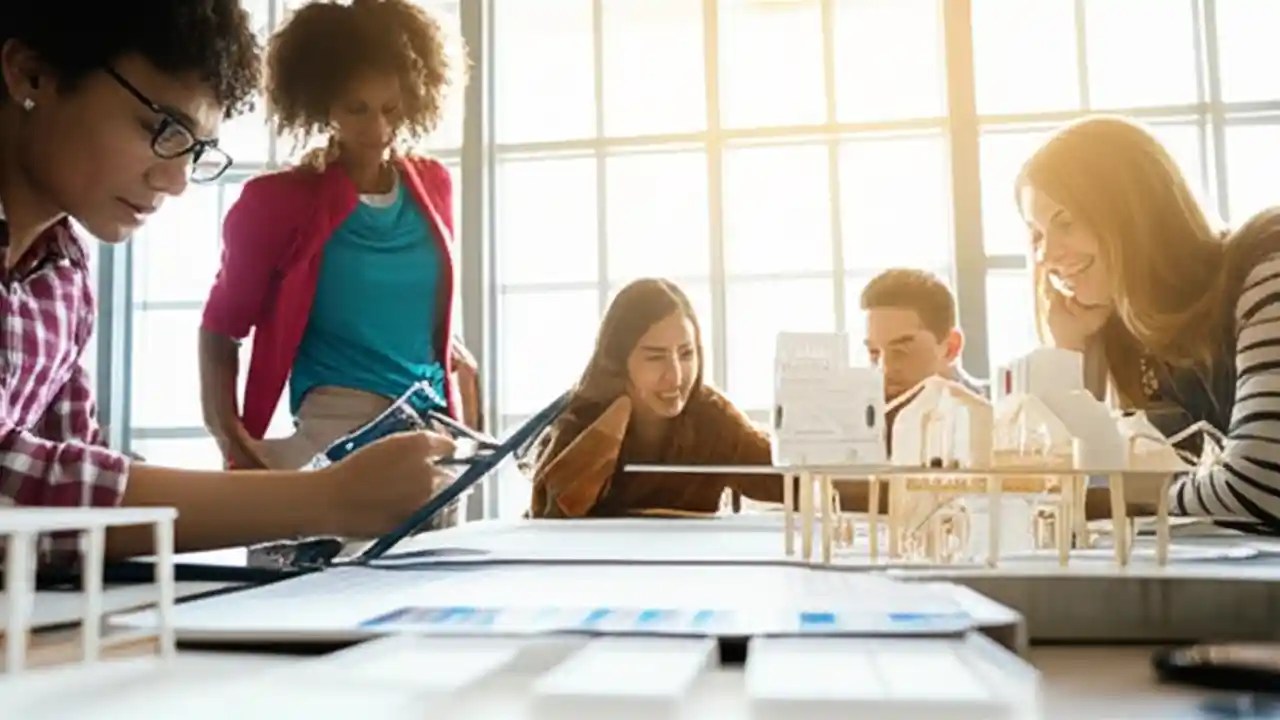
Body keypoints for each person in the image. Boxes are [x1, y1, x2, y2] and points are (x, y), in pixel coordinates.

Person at [0, 3, 455, 558]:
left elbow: (74, 473)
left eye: (196, 150)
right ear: (31, 75)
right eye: (161, 128)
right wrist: (317, 496)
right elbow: (17, 490)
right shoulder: (282, 201)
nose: (175, 180)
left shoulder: (64, 273)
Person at [200, 0, 477, 473]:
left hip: (433, 432)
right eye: (358, 109)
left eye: (391, 108)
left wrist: (466, 389)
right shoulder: (276, 203)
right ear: (321, 103)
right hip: (332, 428)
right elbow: (221, 329)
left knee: (436, 551)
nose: (379, 128)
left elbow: (427, 318)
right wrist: (231, 436)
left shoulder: (434, 185)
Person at [1018, 114, 1280, 529]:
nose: (1046, 255)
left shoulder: (1267, 262)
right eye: (1036, 235)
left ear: (1132, 211)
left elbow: (1258, 489)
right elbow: (1070, 485)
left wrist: (1125, 495)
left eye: (1065, 222)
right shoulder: (1136, 337)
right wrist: (1073, 354)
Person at [524, 278, 874, 518]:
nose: (675, 376)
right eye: (655, 357)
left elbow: (786, 479)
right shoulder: (583, 417)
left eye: (686, 353)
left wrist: (889, 485)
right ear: (617, 360)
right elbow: (553, 513)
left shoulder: (710, 416)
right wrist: (614, 419)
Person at [860, 268, 986, 402]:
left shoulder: (997, 418)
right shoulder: (866, 415)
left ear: (950, 348)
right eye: (874, 353)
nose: (884, 369)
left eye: (900, 351)